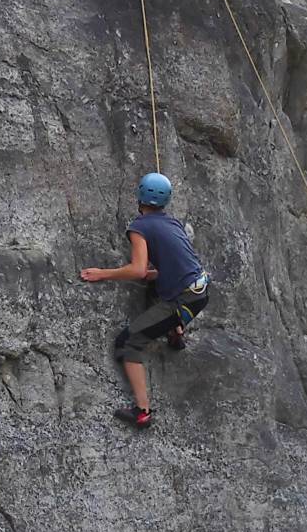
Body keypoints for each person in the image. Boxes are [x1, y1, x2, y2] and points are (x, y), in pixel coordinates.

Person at [78, 171, 211, 430]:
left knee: (129, 342)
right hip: (200, 291)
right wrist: (150, 275)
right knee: (153, 285)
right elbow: (171, 267)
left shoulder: (139, 227)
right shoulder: (173, 224)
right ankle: (176, 331)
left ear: (140, 196)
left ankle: (142, 413)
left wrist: (102, 274)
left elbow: (137, 269)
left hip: (182, 299)